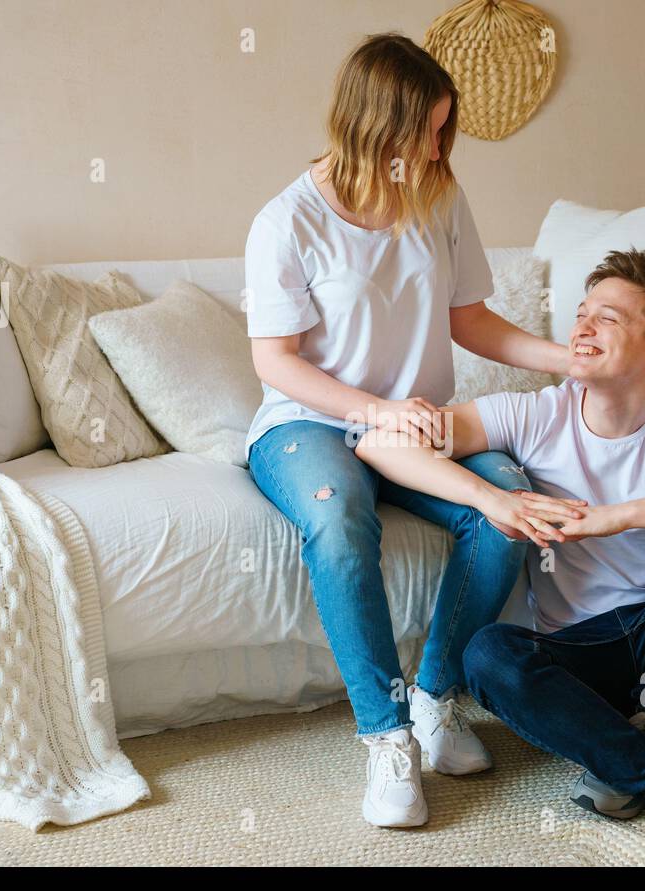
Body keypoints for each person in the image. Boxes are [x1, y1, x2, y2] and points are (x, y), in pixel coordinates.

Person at [355, 248, 645, 837]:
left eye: (609, 317)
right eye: (582, 312)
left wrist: (618, 517)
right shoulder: (536, 414)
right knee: (487, 657)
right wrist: (491, 499)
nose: (583, 325)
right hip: (582, 660)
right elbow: (379, 444)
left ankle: (637, 752)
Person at [243, 33, 575, 828]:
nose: (437, 146)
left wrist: (564, 358)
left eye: (443, 130)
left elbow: (471, 321)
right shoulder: (287, 220)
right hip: (310, 423)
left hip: (419, 426)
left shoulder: (438, 193)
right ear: (370, 125)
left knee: (510, 507)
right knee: (337, 517)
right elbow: (276, 362)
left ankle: (434, 699)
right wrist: (374, 409)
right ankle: (387, 738)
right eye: (425, 130)